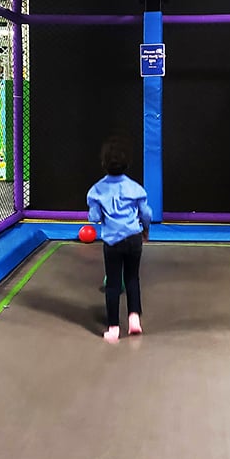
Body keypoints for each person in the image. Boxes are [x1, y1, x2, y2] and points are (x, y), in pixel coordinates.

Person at [87, 137, 152, 343]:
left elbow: (94, 217)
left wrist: (99, 214)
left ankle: (114, 327)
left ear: (104, 164)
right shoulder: (135, 188)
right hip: (133, 238)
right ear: (127, 164)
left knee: (114, 283)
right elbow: (146, 213)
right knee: (132, 278)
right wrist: (145, 229)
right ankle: (134, 319)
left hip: (112, 242)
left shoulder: (97, 190)